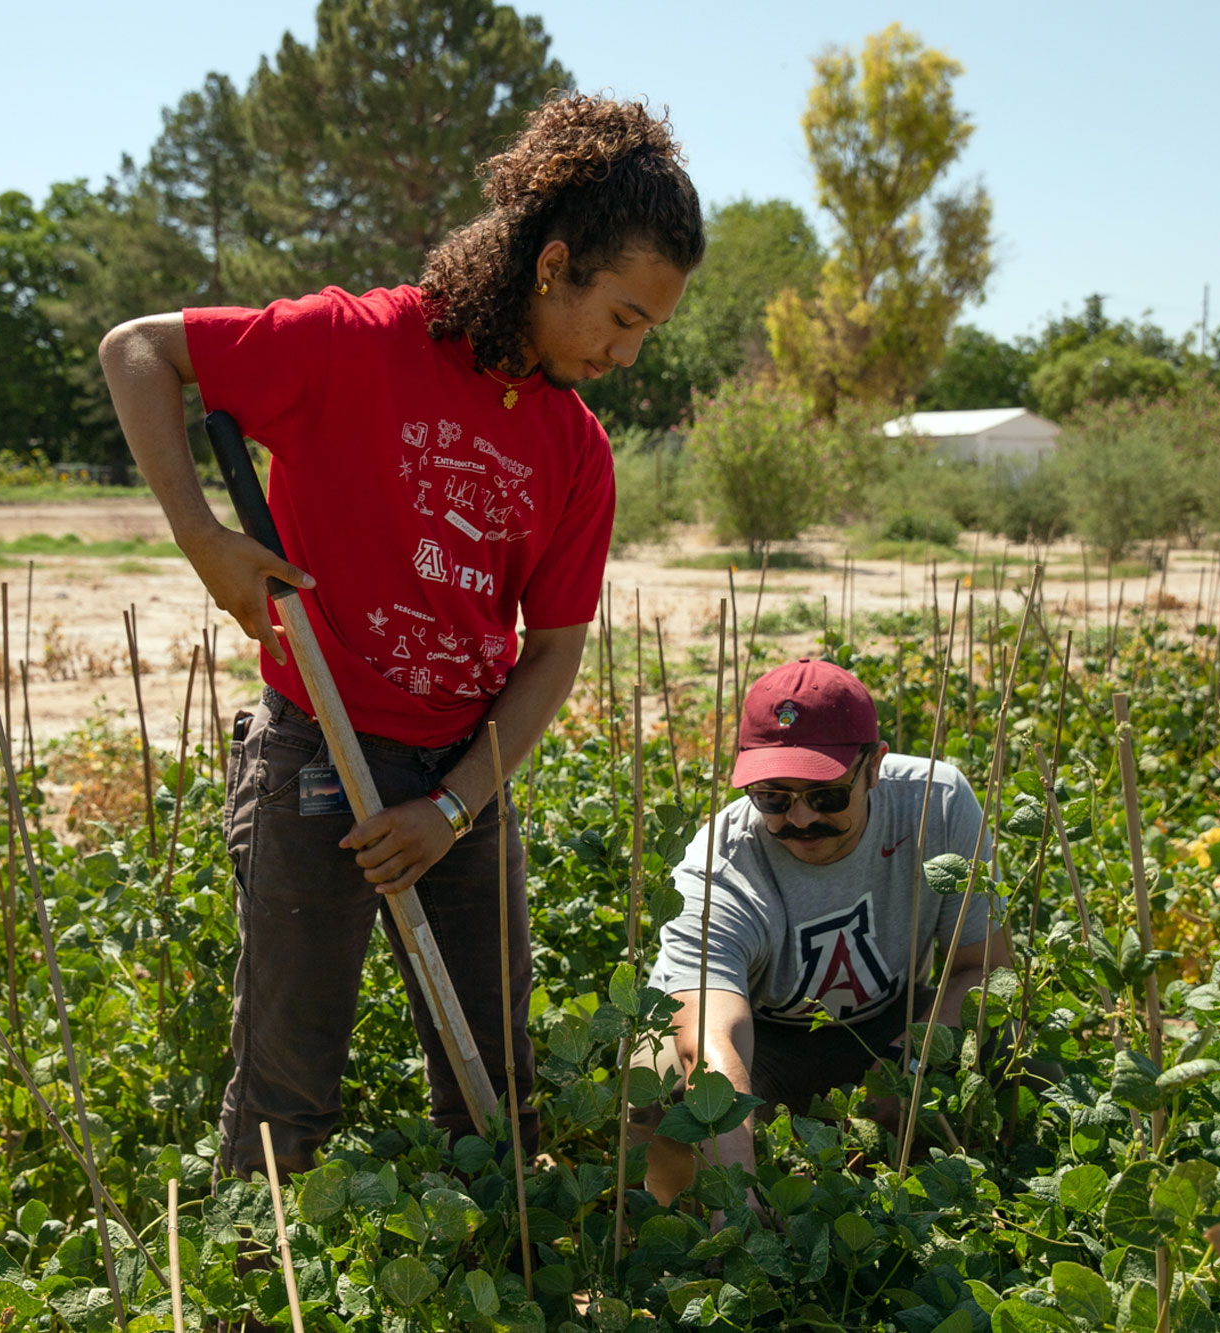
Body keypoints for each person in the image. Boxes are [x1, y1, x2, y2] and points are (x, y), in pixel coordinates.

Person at [99, 93, 703, 1179]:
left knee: (495, 1086)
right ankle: (259, 1282)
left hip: (460, 777)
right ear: (553, 263)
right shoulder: (358, 343)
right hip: (316, 759)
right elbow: (137, 351)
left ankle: (497, 1274)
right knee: (287, 1087)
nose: (626, 352)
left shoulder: (575, 450)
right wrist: (203, 536)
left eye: (645, 330)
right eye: (619, 317)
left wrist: (452, 807)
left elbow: (553, 652)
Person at [639, 658, 1011, 1205]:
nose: (802, 819)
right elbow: (709, 1043)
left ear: (874, 767)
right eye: (774, 798)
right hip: (766, 1043)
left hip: (897, 1021)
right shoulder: (720, 866)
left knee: (1010, 1034)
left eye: (827, 795)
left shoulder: (937, 804)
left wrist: (909, 1065)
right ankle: (684, 1234)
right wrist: (734, 1201)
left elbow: (985, 966)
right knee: (660, 1079)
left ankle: (990, 1196)